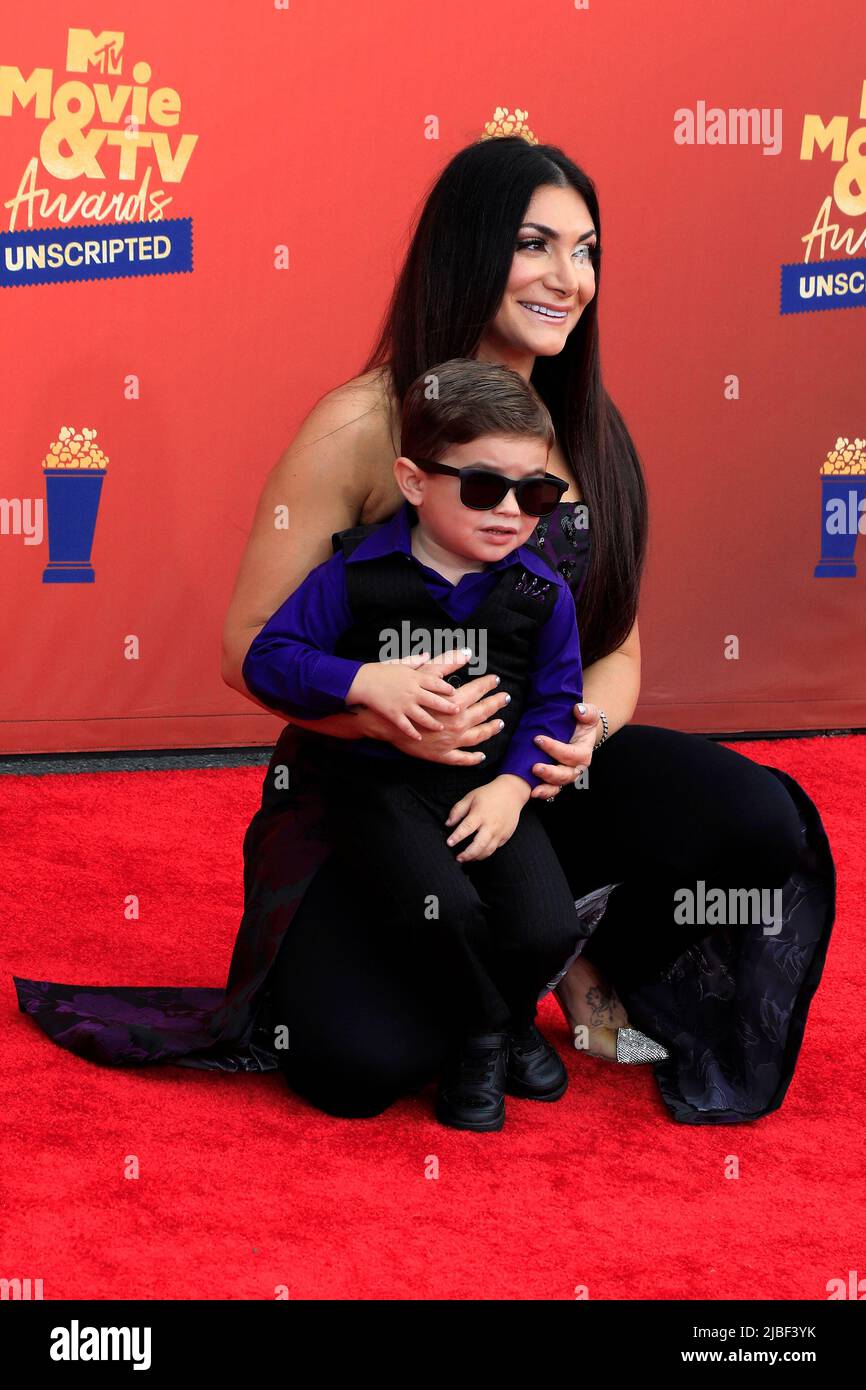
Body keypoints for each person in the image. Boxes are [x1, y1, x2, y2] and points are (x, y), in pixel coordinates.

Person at [13, 135, 835, 1125]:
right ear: (466, 248)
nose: (565, 278)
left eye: (585, 250)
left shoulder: (585, 428)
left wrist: (587, 735)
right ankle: (492, 970)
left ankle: (575, 946)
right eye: (534, 244)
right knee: (355, 1066)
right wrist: (379, 707)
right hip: (374, 794)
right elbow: (247, 648)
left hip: (528, 776)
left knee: (755, 822)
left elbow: (614, 644)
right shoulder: (361, 424)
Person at [241, 355, 620, 1129]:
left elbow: (556, 701)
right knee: (441, 908)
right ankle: (486, 1035)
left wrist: (515, 787)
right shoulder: (354, 576)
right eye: (483, 487)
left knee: (548, 923)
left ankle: (507, 1017)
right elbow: (267, 658)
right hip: (378, 789)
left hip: (488, 792)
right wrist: (361, 683)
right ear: (413, 482)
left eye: (537, 492)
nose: (512, 511)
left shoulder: (541, 593)